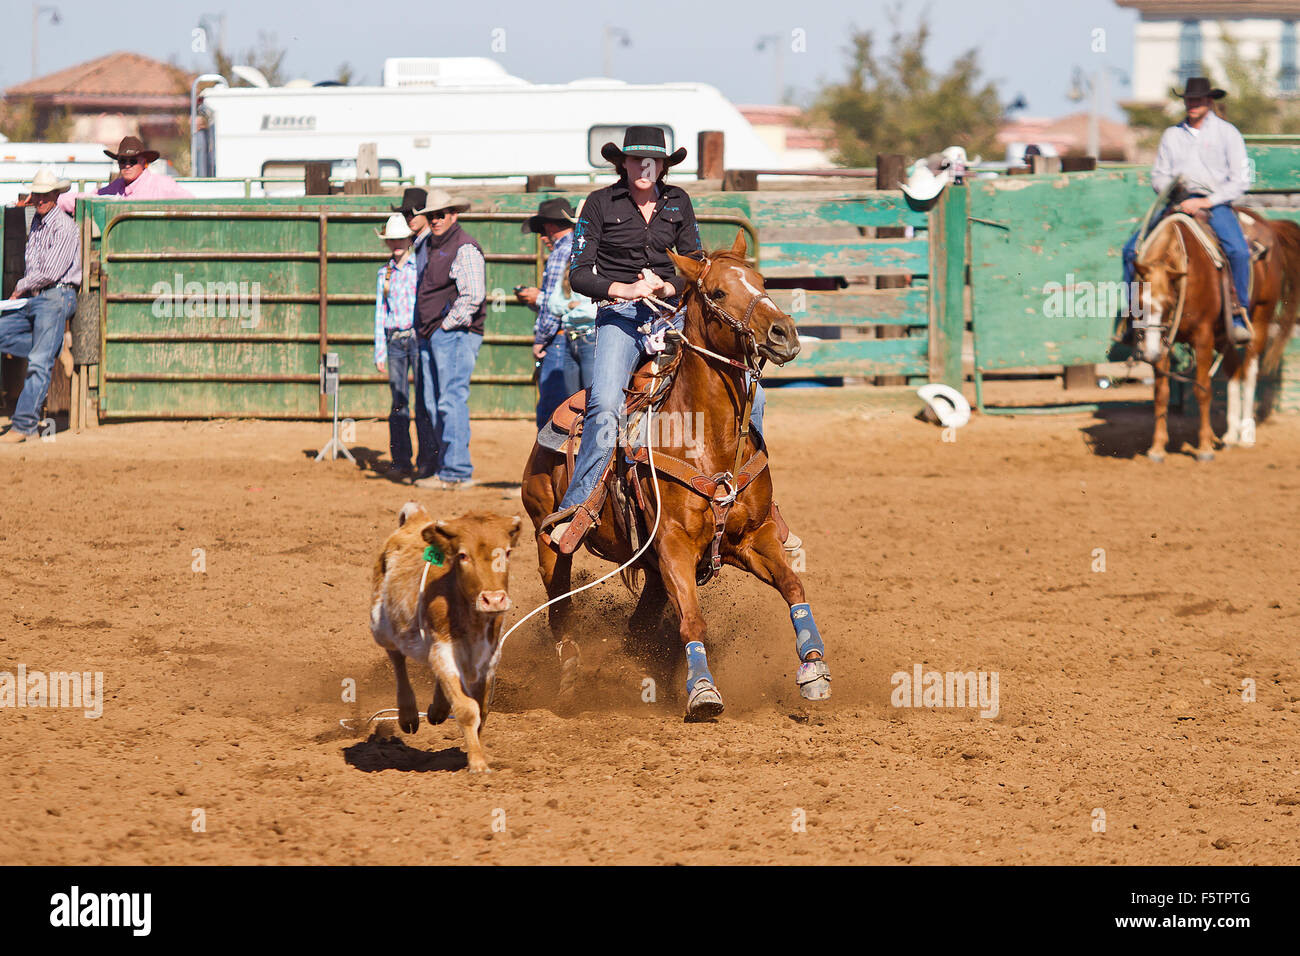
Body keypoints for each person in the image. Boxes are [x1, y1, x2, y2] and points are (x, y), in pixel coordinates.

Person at [539, 126, 792, 554]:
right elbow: (580, 273)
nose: (644, 167)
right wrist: (625, 289)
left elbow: (693, 263)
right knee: (604, 403)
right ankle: (579, 504)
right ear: (623, 163)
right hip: (620, 317)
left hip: (673, 316)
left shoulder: (679, 203)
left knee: (755, 395)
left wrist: (667, 286)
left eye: (652, 161)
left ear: (663, 166)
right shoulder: (600, 204)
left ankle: (760, 502)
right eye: (636, 160)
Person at [1122, 76, 1253, 344]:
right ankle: (1133, 316)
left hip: (1214, 205)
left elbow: (1240, 180)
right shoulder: (1172, 135)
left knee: (1238, 251)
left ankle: (1239, 314)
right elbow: (1158, 175)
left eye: (1197, 99)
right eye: (1188, 99)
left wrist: (1205, 202)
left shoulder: (1227, 133)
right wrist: (1171, 190)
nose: (1192, 104)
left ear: (1209, 101)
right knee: (1131, 251)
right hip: (1176, 203)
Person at [0, 168, 81, 444]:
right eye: (38, 194)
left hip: (57, 295)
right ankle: (55, 347)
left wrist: (21, 285)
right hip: (38, 298)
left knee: (37, 363)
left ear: (56, 195)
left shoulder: (64, 226)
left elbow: (52, 270)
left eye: (46, 194)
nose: (41, 199)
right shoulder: (36, 223)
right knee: (10, 337)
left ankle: (23, 426)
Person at [412, 189, 486, 490]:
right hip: (434, 333)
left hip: (452, 335)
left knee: (449, 400)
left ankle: (456, 470)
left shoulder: (464, 246)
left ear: (453, 214)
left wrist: (446, 325)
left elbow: (473, 294)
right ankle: (448, 467)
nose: (436, 219)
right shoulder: (430, 244)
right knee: (434, 403)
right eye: (431, 215)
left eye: (441, 214)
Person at [517, 197, 579, 427]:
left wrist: (540, 340)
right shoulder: (579, 247)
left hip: (559, 339)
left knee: (550, 411)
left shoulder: (560, 254)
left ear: (550, 225)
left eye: (543, 228)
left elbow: (555, 308)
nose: (543, 235)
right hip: (577, 336)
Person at [373, 214, 420, 481]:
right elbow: (381, 311)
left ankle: (420, 460)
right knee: (399, 402)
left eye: (400, 239)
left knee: (421, 400)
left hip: (414, 337)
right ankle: (402, 461)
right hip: (395, 340)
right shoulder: (385, 272)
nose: (396, 244)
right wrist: (380, 350)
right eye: (392, 240)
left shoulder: (418, 267)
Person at [57, 136, 192, 213]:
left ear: (143, 162)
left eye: (132, 161)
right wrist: (51, 198)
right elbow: (89, 198)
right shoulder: (116, 187)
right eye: (122, 161)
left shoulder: (163, 185)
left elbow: (193, 205)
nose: (127, 165)